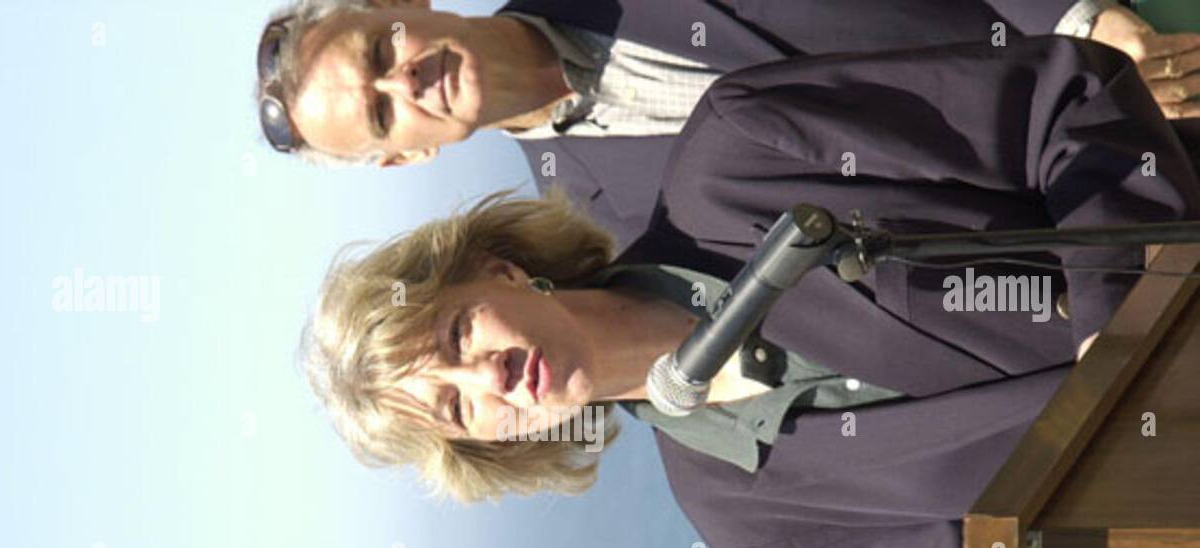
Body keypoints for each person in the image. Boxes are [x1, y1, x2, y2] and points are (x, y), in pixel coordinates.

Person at [297, 35, 1200, 548]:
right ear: (487, 445)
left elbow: (1066, 99)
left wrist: (1120, 325)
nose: (483, 376)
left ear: (498, 273)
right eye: (455, 406)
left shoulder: (738, 153)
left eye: (457, 336)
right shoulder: (736, 518)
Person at [256, 0, 1200, 243]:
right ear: (403, 157)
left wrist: (1079, 26)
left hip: (1150, 50)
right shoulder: (613, 245)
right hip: (1129, 235)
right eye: (383, 112)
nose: (408, 79)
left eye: (381, 50)